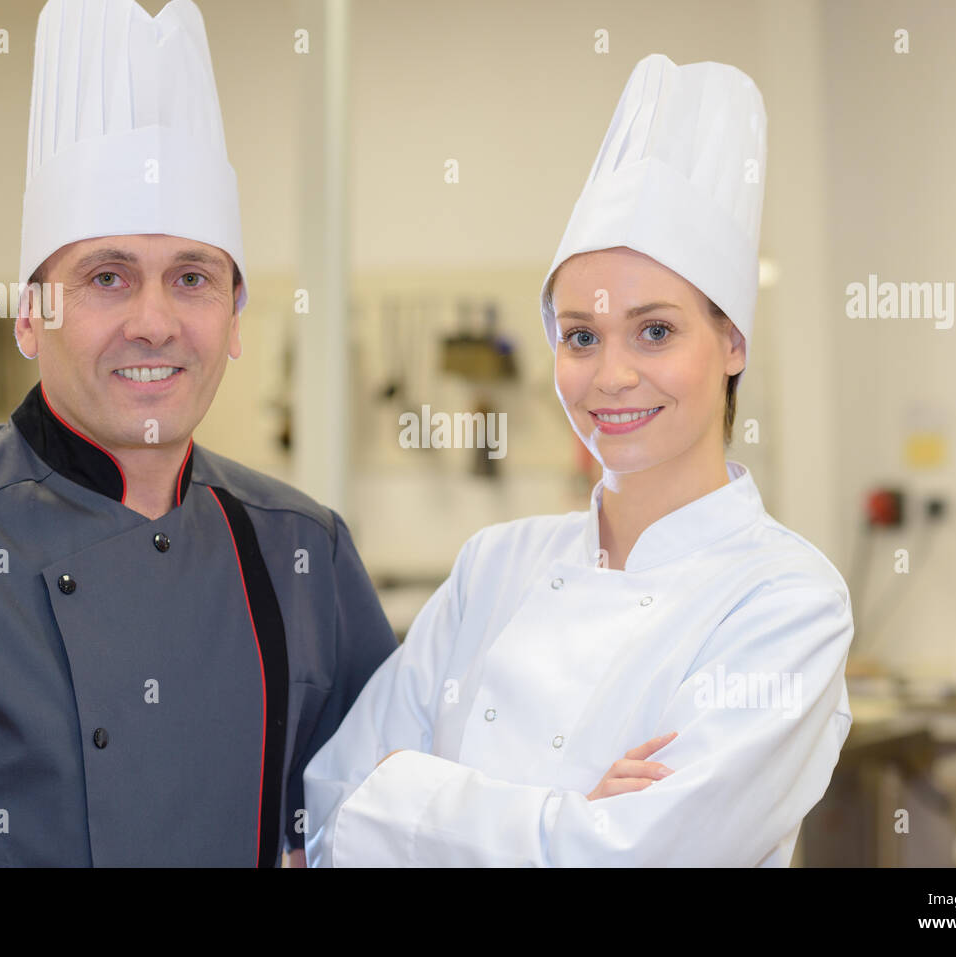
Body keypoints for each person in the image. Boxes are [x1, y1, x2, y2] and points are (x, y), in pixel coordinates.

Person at [0, 0, 394, 866]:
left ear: (233, 318)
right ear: (29, 317)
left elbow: (393, 814)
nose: (154, 322)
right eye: (107, 277)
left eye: (191, 277)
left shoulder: (305, 550)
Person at [303, 54, 854, 867]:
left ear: (732, 341)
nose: (612, 375)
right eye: (581, 336)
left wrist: (412, 796)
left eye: (656, 330)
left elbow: (637, 858)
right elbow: (328, 814)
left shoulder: (788, 600)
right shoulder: (495, 565)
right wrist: (569, 811)